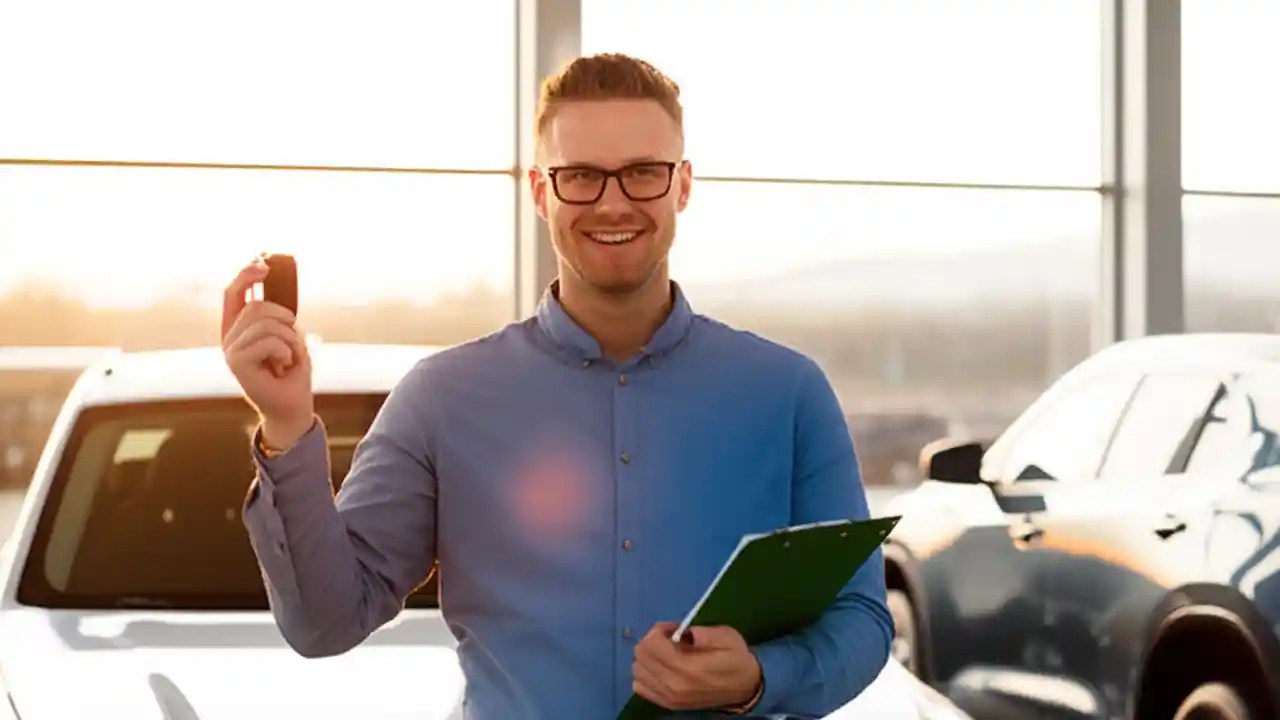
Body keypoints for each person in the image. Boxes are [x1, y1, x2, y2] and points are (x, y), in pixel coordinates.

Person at [220, 53, 891, 719]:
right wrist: (285, 428)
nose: (612, 202)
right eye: (580, 177)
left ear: (682, 185)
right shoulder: (441, 398)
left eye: (642, 174)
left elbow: (862, 622)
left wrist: (758, 677)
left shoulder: (789, 394)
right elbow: (324, 624)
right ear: (541, 192)